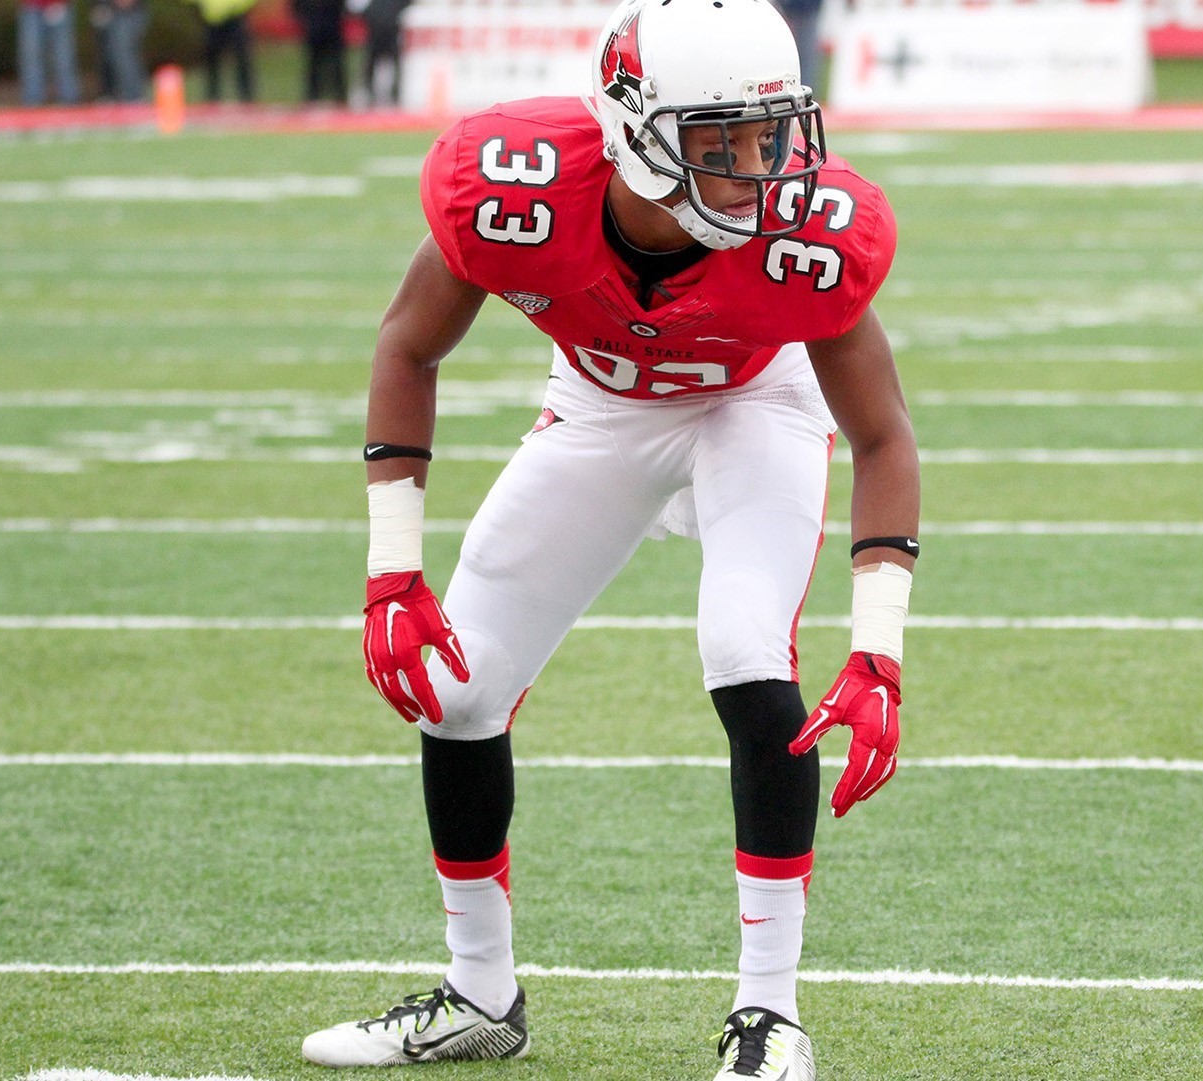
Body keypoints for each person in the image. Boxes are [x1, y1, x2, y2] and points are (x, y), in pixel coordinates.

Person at [300, 0, 918, 1076]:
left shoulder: (803, 237)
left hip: (754, 401)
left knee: (745, 653)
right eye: (723, 143)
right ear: (635, 131)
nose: (761, 172)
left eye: (769, 138)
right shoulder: (520, 191)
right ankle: (479, 994)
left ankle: (770, 1016)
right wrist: (393, 568)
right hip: (601, 402)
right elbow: (407, 345)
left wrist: (878, 647)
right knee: (456, 688)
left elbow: (883, 434)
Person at [18, 0, 81, 106]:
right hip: (31, 7)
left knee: (63, 55)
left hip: (60, 6)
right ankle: (32, 100)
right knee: (31, 55)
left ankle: (69, 99)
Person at [192, 0, 258, 103]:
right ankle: (212, 97)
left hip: (234, 16)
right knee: (212, 59)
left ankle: (247, 96)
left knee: (241, 56)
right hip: (212, 19)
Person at [92, 0, 150, 103]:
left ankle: (134, 97)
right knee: (107, 54)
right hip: (104, 10)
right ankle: (109, 95)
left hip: (129, 11)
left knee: (123, 52)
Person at [293, 0, 349, 104]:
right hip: (316, 26)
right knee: (315, 64)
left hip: (331, 26)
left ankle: (339, 96)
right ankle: (313, 95)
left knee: (335, 64)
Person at [357, 0, 410, 108]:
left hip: (391, 35)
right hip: (376, 35)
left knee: (396, 65)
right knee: (370, 65)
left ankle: (397, 94)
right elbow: (363, 11)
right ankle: (367, 93)